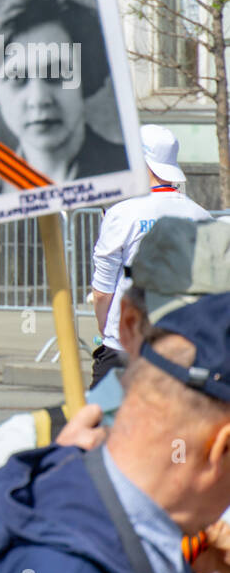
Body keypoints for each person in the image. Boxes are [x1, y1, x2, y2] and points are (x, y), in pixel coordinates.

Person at [0, 216, 230, 573]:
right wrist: (53, 505)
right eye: (184, 328)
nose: (211, 354)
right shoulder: (38, 441)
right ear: (130, 325)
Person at [0, 0, 127, 197]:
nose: (39, 99)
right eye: (17, 79)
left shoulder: (129, 176)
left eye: (56, 75)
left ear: (85, 78)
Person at [90, 124, 209, 388]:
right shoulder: (202, 215)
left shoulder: (121, 213)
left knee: (104, 427)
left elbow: (102, 292)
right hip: (179, 348)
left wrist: (104, 327)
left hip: (124, 348)